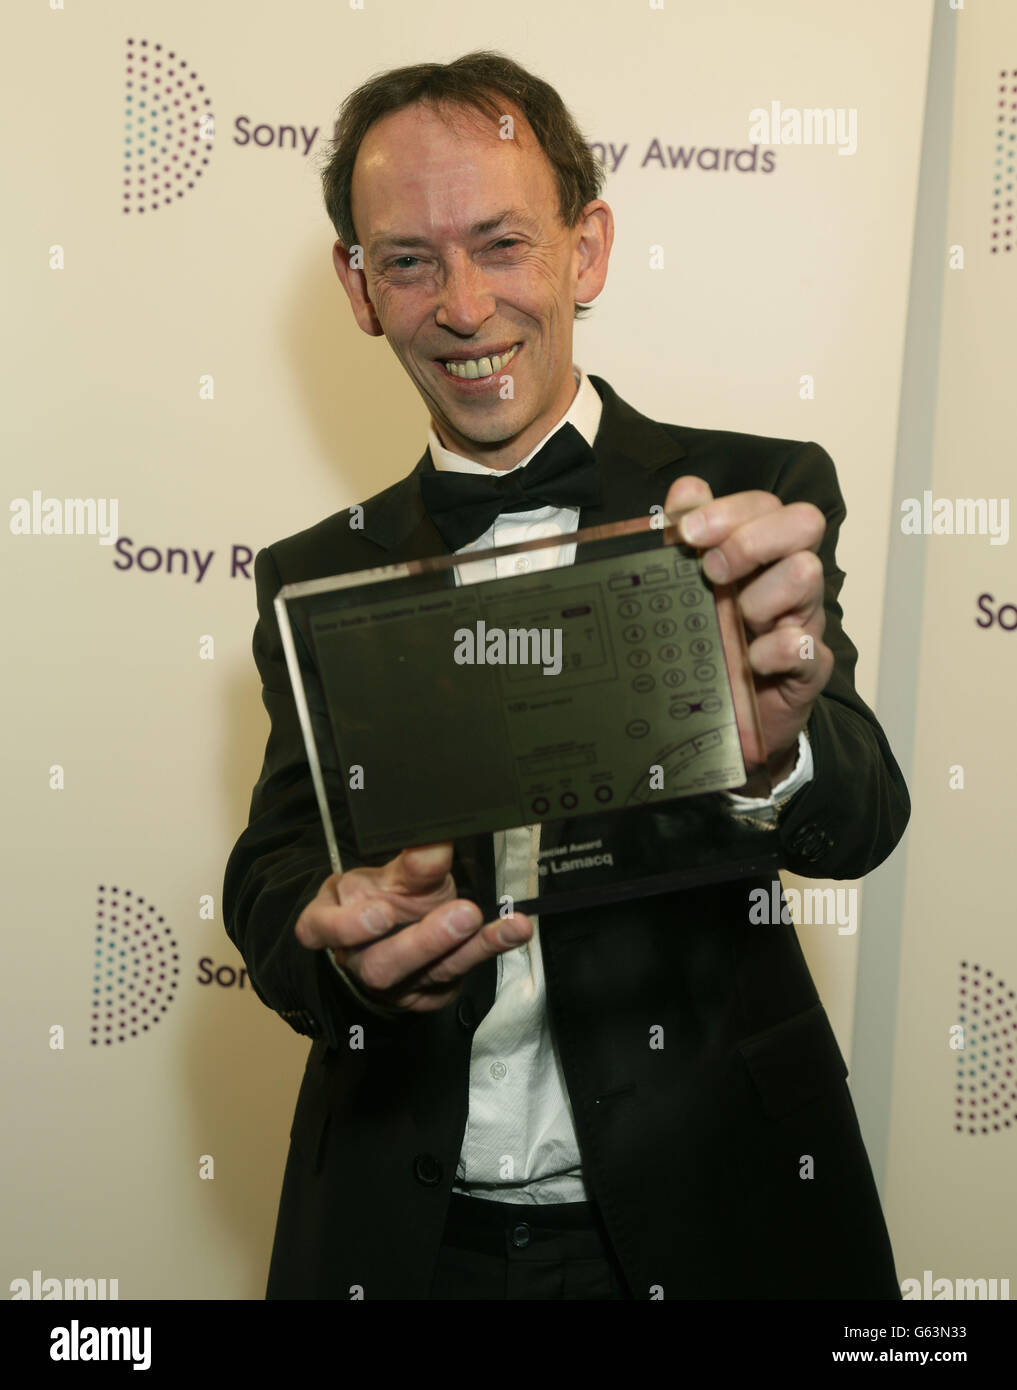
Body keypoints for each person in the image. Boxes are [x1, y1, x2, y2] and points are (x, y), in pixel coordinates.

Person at [222, 51, 910, 1300]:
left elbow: (858, 814)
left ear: (585, 250)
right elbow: (273, 875)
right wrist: (328, 942)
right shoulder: (315, 576)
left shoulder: (754, 490)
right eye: (410, 260)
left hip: (716, 1218)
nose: (465, 306)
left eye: (501, 243)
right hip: (407, 1238)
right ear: (359, 287)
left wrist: (771, 753)